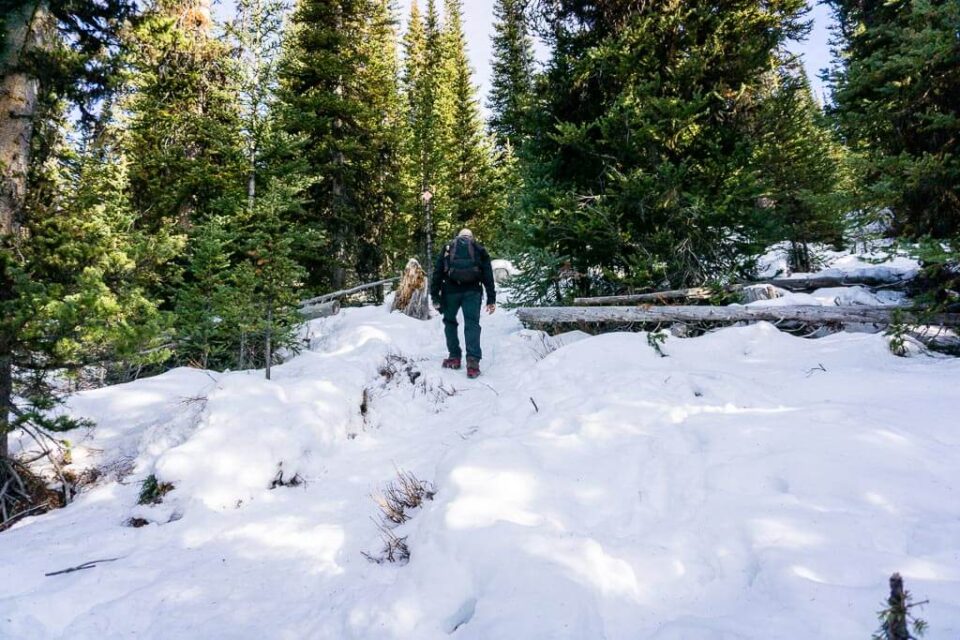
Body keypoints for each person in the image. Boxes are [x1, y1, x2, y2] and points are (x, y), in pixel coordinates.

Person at [430, 229, 496, 378]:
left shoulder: (448, 248)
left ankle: (454, 357)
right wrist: (491, 299)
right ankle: (472, 363)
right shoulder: (479, 249)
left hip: (450, 292)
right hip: (473, 292)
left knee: (450, 322)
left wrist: (435, 295)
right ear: (472, 237)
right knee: (472, 324)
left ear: (458, 237)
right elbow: (488, 274)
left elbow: (438, 271)